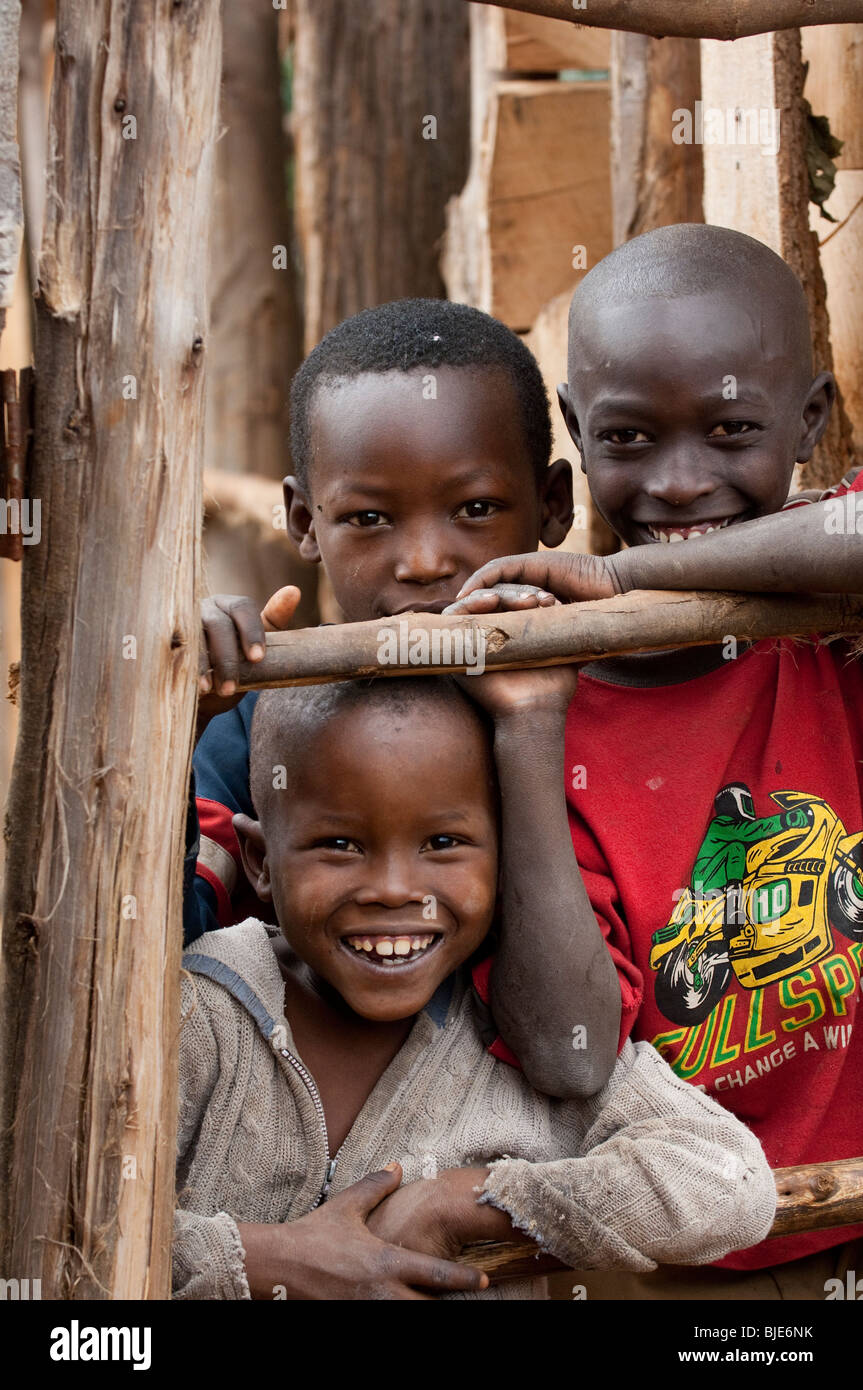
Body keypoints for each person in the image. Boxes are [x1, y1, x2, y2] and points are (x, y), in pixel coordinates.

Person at [447, 223, 863, 1294]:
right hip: (674, 1261)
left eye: (730, 430)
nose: (679, 485)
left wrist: (625, 585)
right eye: (629, 440)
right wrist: (531, 724)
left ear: (808, 421)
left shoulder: (824, 628)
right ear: (577, 433)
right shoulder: (531, 705)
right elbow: (574, 1051)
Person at [173, 676, 776, 1300]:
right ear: (259, 861)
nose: (395, 889)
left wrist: (468, 1198)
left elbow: (730, 1181)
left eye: (442, 843)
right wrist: (269, 1260)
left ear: (504, 856)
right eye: (340, 844)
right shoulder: (204, 1010)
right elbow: (75, 1228)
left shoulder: (510, 1036)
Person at [189, 297, 621, 1098]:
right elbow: (152, 952)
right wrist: (180, 716)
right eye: (369, 517)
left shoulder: (597, 708)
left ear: (555, 505)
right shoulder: (255, 726)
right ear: (302, 520)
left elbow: (574, 1054)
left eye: (476, 509)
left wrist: (529, 725)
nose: (422, 562)